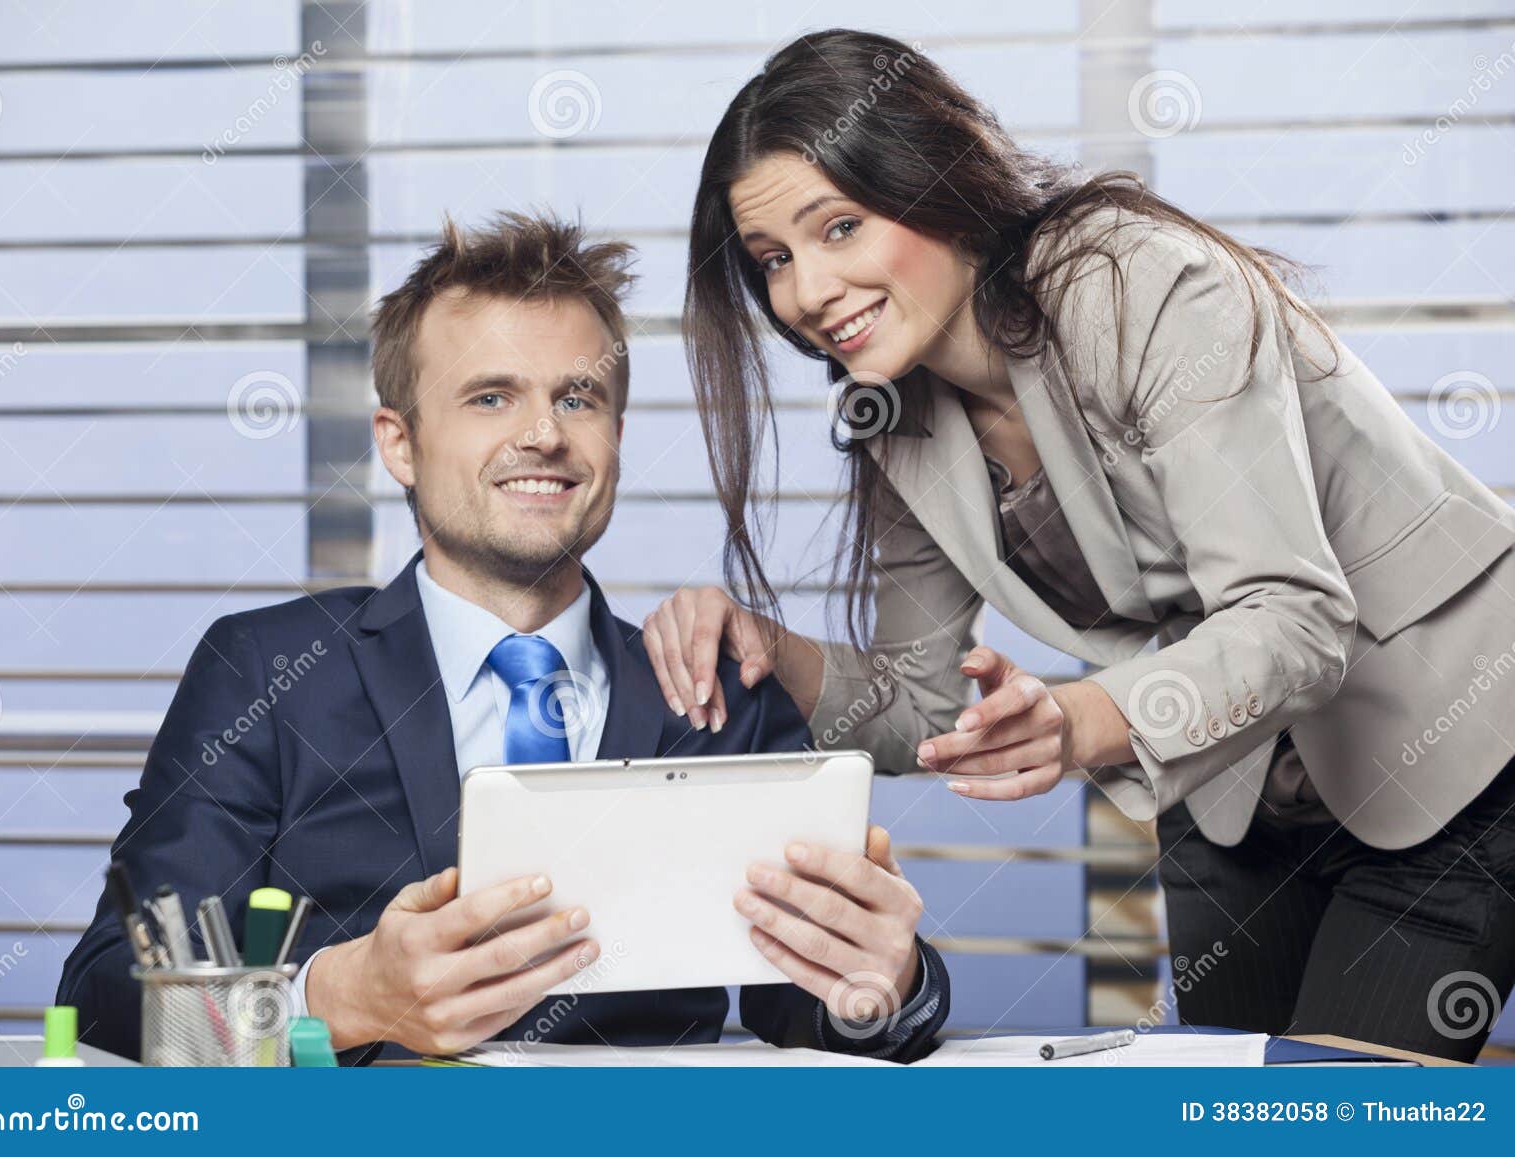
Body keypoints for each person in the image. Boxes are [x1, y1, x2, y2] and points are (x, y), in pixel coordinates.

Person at [642, 29, 1515, 1060]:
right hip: (1232, 785)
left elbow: (1296, 615)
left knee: (1334, 1117)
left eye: (839, 226)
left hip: (1449, 741)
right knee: (1227, 1110)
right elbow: (919, 708)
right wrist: (769, 650)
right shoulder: (899, 423)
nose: (808, 292)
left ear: (933, 179)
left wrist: (1074, 719)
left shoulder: (1134, 282)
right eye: (774, 261)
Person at [57, 211, 949, 1064]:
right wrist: (337, 998)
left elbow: (817, 1012)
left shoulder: (723, 694)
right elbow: (104, 1000)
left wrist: (883, 978)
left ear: (617, 436)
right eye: (491, 396)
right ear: (399, 445)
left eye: (578, 397)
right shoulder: (269, 672)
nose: (543, 434)